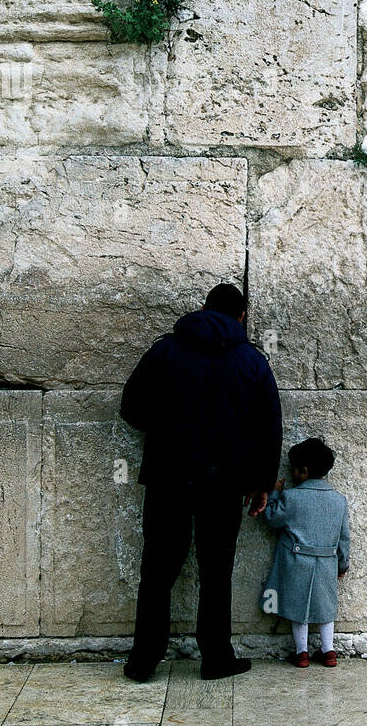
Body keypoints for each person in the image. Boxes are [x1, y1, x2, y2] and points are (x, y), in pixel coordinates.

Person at [120, 283, 282, 682]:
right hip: (223, 483)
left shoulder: (166, 350)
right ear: (241, 316)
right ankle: (215, 658)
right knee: (216, 571)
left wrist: (167, 431)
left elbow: (131, 407)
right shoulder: (252, 361)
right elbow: (269, 429)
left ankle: (143, 662)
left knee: (157, 570)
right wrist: (261, 483)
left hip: (168, 477)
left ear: (204, 308)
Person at [261, 437, 350, 668]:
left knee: (298, 607)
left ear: (303, 470)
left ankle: (301, 653)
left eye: (294, 471)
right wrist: (342, 565)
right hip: (326, 562)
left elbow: (272, 518)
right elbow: (344, 538)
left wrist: (274, 494)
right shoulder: (339, 501)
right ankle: (328, 651)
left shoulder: (291, 497)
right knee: (326, 607)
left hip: (296, 561)